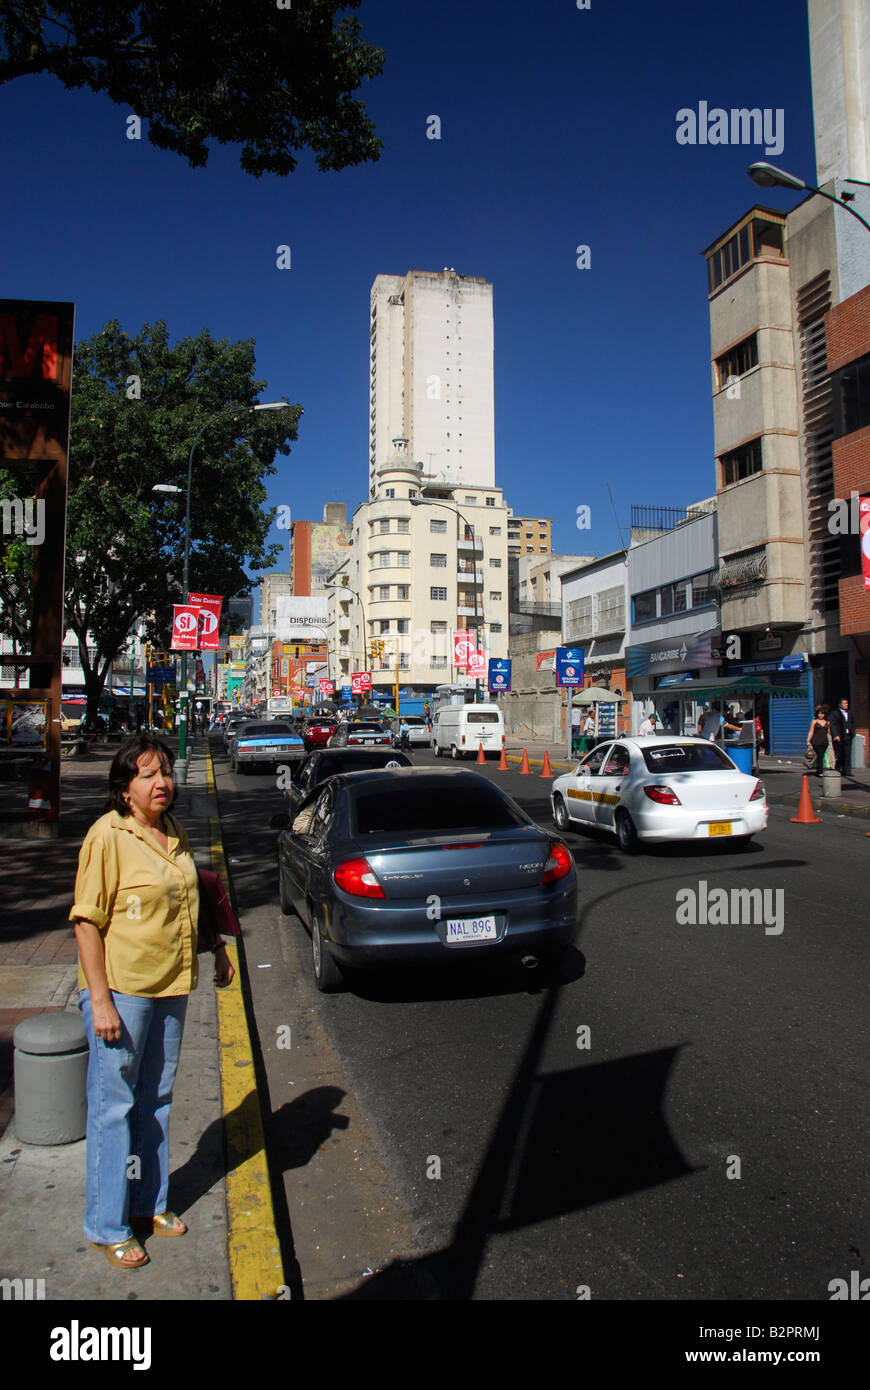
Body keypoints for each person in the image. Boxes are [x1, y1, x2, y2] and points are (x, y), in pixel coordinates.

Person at [71, 734, 235, 1270]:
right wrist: (99, 1002)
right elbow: (87, 923)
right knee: (113, 1108)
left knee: (156, 1100)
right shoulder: (107, 838)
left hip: (172, 985)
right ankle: (107, 1224)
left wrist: (216, 950)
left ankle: (147, 1203)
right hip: (122, 991)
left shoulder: (173, 833)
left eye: (164, 771)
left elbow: (190, 899)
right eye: (147, 774)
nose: (161, 782)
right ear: (124, 790)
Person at [806, 706, 832, 777]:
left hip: (824, 741)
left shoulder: (827, 722)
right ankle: (820, 772)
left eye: (822, 714)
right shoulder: (814, 721)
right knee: (820, 755)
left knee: (821, 756)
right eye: (820, 713)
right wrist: (808, 740)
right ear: (817, 714)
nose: (821, 715)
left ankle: (818, 770)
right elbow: (811, 731)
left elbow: (829, 732)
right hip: (816, 741)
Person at [829, 698, 852, 775]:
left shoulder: (849, 712)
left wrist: (853, 732)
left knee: (847, 753)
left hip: (848, 736)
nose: (846, 705)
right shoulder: (835, 713)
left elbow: (852, 723)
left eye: (847, 703)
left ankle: (847, 771)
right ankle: (838, 768)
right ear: (840, 705)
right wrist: (835, 735)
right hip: (839, 736)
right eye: (844, 703)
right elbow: (833, 725)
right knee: (840, 753)